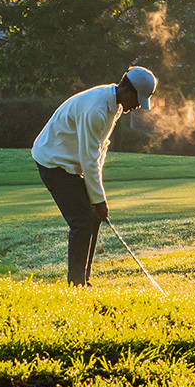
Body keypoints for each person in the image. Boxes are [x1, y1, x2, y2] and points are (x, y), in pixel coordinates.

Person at [33, 66, 158, 285]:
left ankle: (83, 279)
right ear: (127, 90)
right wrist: (99, 200)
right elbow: (88, 158)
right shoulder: (96, 110)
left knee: (93, 218)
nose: (138, 106)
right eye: (137, 99)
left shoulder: (115, 105)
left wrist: (98, 197)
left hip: (69, 162)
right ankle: (76, 284)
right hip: (53, 161)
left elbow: (101, 148)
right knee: (82, 221)